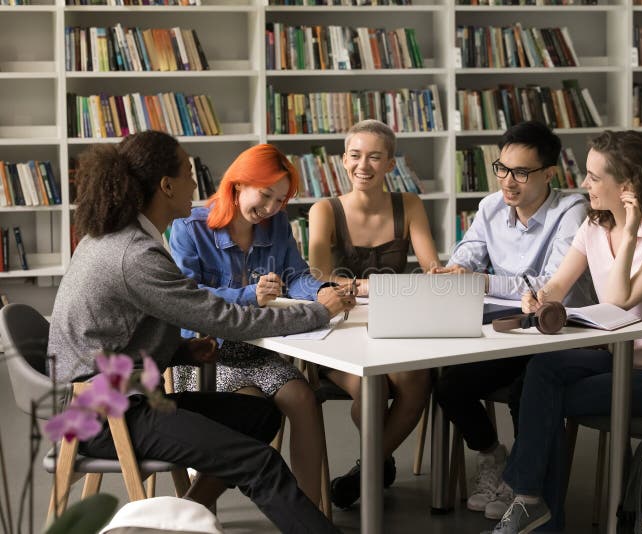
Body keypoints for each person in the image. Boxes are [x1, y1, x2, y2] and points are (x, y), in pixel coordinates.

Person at [48, 131, 355, 533]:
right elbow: (228, 320)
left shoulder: (121, 236)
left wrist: (182, 352)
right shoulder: (135, 254)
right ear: (166, 185)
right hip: (103, 415)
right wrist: (317, 313)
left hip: (109, 396)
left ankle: (181, 516)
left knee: (259, 417)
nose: (196, 183)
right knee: (258, 462)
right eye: (188, 172)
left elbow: (118, 331)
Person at [486, 130, 642, 534]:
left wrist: (633, 226)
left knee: (547, 397)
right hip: (613, 357)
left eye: (594, 177)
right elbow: (558, 286)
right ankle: (532, 503)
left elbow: (618, 298)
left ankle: (533, 507)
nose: (584, 185)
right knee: (542, 370)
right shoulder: (593, 227)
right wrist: (539, 297)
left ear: (628, 186)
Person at [432, 121, 595, 520]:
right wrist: (451, 273)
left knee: (527, 390)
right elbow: (464, 260)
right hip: (506, 333)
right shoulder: (490, 207)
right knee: (450, 384)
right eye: (502, 169)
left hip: (561, 335)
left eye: (521, 172)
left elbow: (553, 286)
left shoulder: (572, 211)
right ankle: (493, 457)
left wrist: (482, 280)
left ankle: (523, 485)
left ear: (548, 174)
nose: (508, 181)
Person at [168, 144, 328, 505]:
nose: (271, 208)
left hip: (256, 346)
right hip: (205, 353)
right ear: (239, 184)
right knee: (253, 414)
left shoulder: (277, 224)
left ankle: (313, 514)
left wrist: (324, 291)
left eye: (281, 200)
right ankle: (197, 508)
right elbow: (185, 297)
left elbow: (297, 276)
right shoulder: (189, 228)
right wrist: (247, 296)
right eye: (266, 195)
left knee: (303, 400)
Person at [306, 119, 441, 508]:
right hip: (338, 331)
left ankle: (368, 467)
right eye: (355, 155)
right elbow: (319, 278)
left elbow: (431, 268)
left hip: (392, 326)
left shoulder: (410, 205)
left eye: (374, 157)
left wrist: (441, 275)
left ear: (390, 164)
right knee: (372, 387)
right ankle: (377, 465)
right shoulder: (324, 210)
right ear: (343, 160)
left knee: (417, 379)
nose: (363, 165)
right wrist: (372, 287)